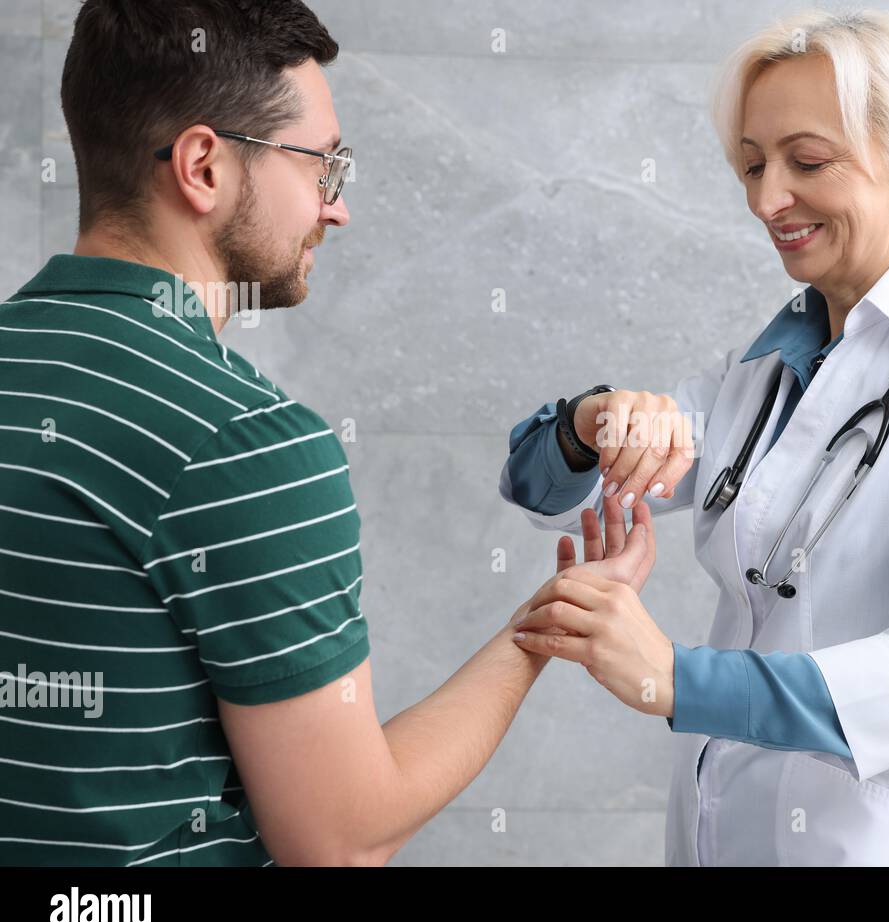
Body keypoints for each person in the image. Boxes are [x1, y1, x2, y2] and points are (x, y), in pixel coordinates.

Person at [0, 0, 649, 867]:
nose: (336, 209)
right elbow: (341, 839)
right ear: (203, 166)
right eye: (324, 166)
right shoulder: (245, 443)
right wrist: (544, 628)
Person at [503, 9, 889, 866]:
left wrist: (679, 678)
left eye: (806, 161)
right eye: (753, 164)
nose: (767, 201)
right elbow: (538, 486)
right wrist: (594, 419)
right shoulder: (765, 371)